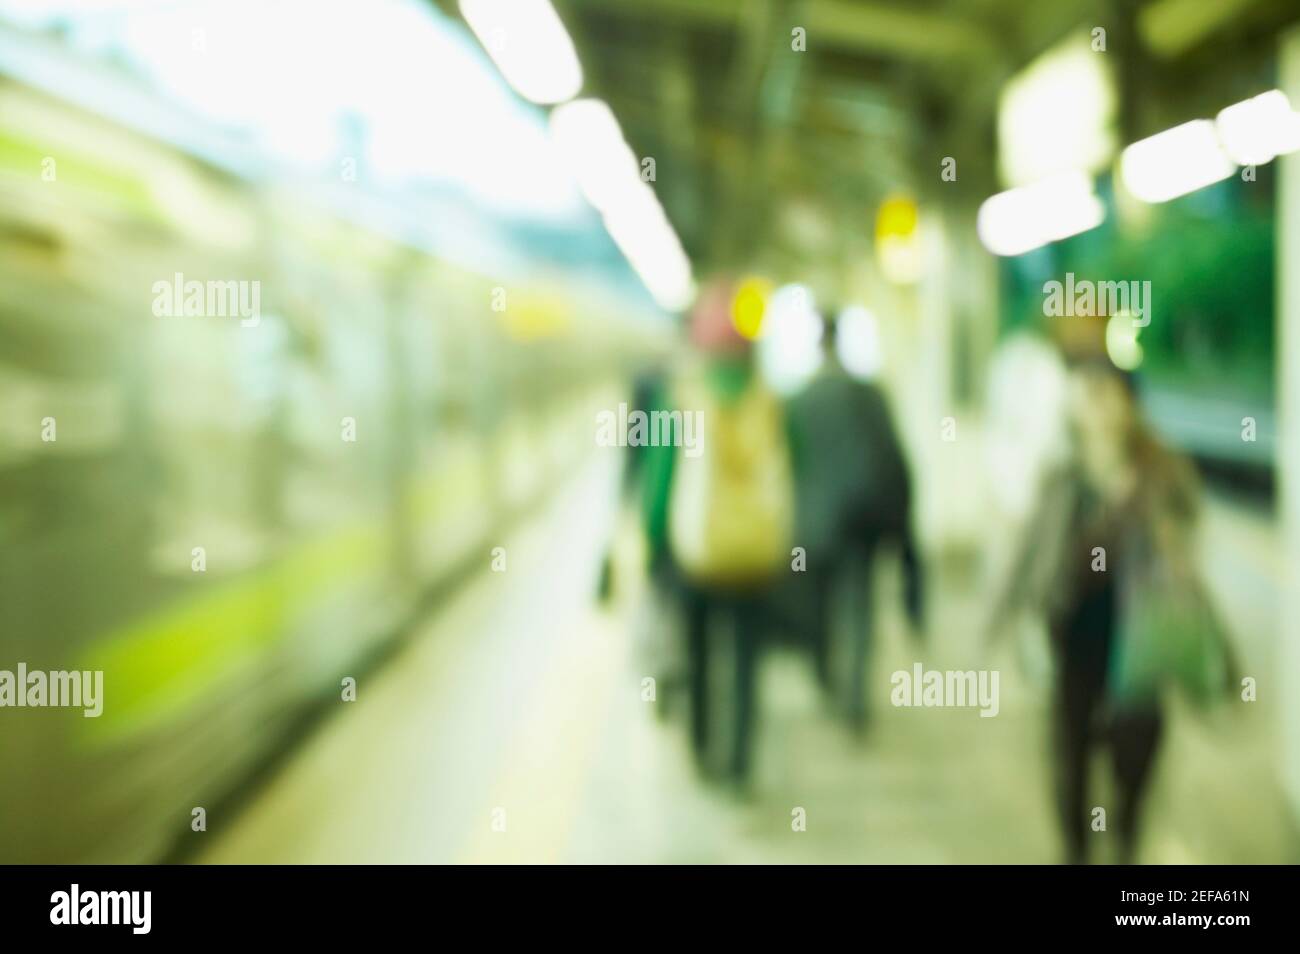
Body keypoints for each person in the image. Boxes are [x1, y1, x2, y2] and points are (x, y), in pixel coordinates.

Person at [990, 348, 1231, 864]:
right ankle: (1075, 851)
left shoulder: (1162, 470)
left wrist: (1160, 528)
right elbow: (1032, 551)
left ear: (1128, 403)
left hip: (1142, 634)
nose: (1094, 407)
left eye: (1105, 394)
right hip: (1075, 631)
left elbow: (1190, 534)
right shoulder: (1062, 474)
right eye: (1084, 395)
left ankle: (1125, 840)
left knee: (1137, 749)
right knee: (1070, 755)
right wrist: (1007, 615)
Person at [641, 276, 794, 785]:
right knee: (748, 660)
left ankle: (703, 752)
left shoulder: (679, 396)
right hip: (753, 552)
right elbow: (796, 466)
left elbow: (659, 478)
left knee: (701, 655)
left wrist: (654, 543)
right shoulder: (771, 399)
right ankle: (740, 762)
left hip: (697, 554)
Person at [784, 307, 922, 731]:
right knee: (859, 606)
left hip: (812, 526)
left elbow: (786, 466)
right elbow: (896, 459)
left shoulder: (797, 400)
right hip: (862, 522)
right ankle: (856, 698)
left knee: (819, 607)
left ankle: (827, 677)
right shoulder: (869, 394)